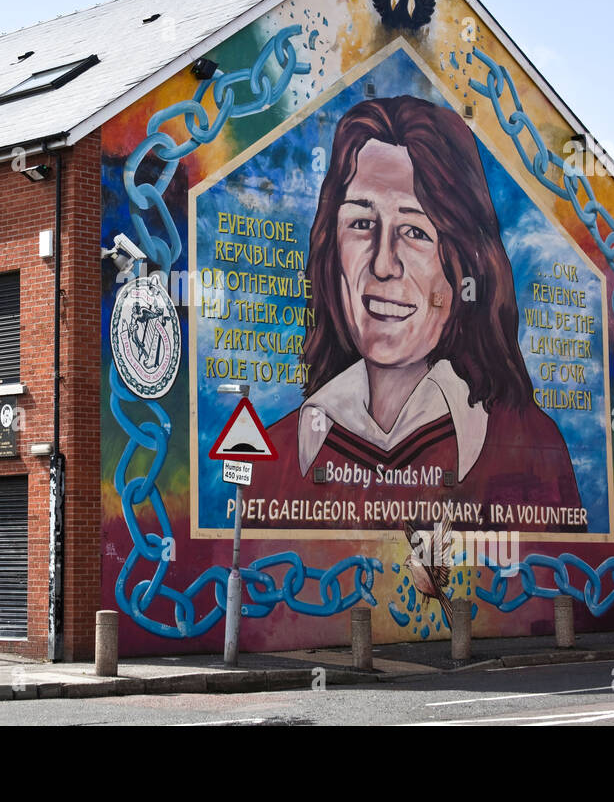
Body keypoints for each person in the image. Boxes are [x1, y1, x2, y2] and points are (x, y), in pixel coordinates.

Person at [247, 95, 581, 532]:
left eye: (415, 231)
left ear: (464, 261)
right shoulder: (279, 457)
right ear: (333, 250)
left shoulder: (528, 447)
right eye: (362, 224)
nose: (384, 264)